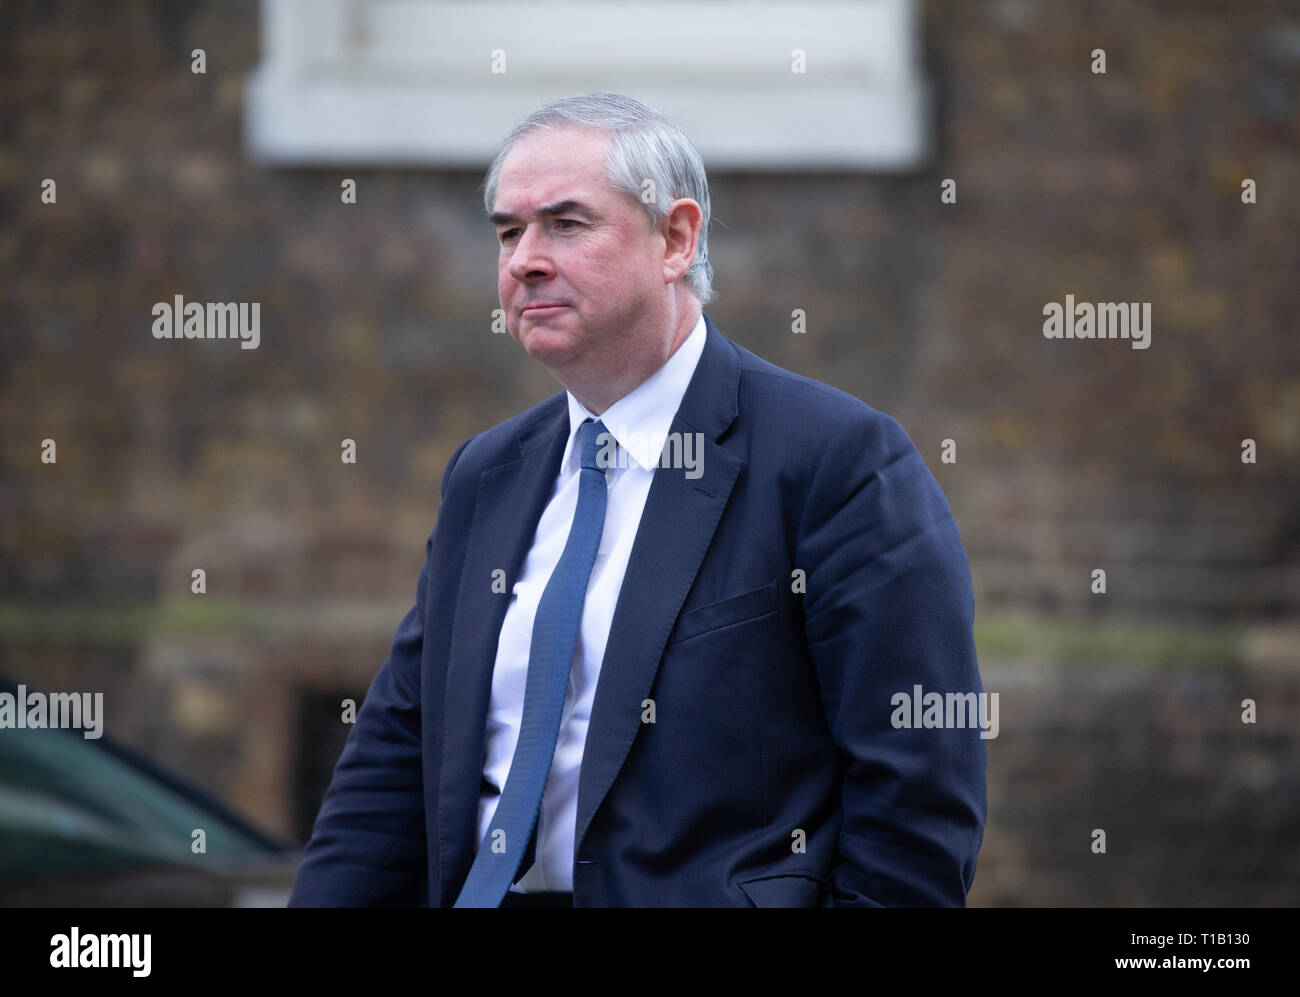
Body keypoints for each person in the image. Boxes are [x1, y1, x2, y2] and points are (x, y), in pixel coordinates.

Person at [288, 92, 986, 908]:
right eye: (509, 231)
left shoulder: (835, 461)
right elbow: (396, 758)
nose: (524, 260)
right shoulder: (486, 475)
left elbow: (915, 796)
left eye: (567, 224)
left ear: (677, 238)